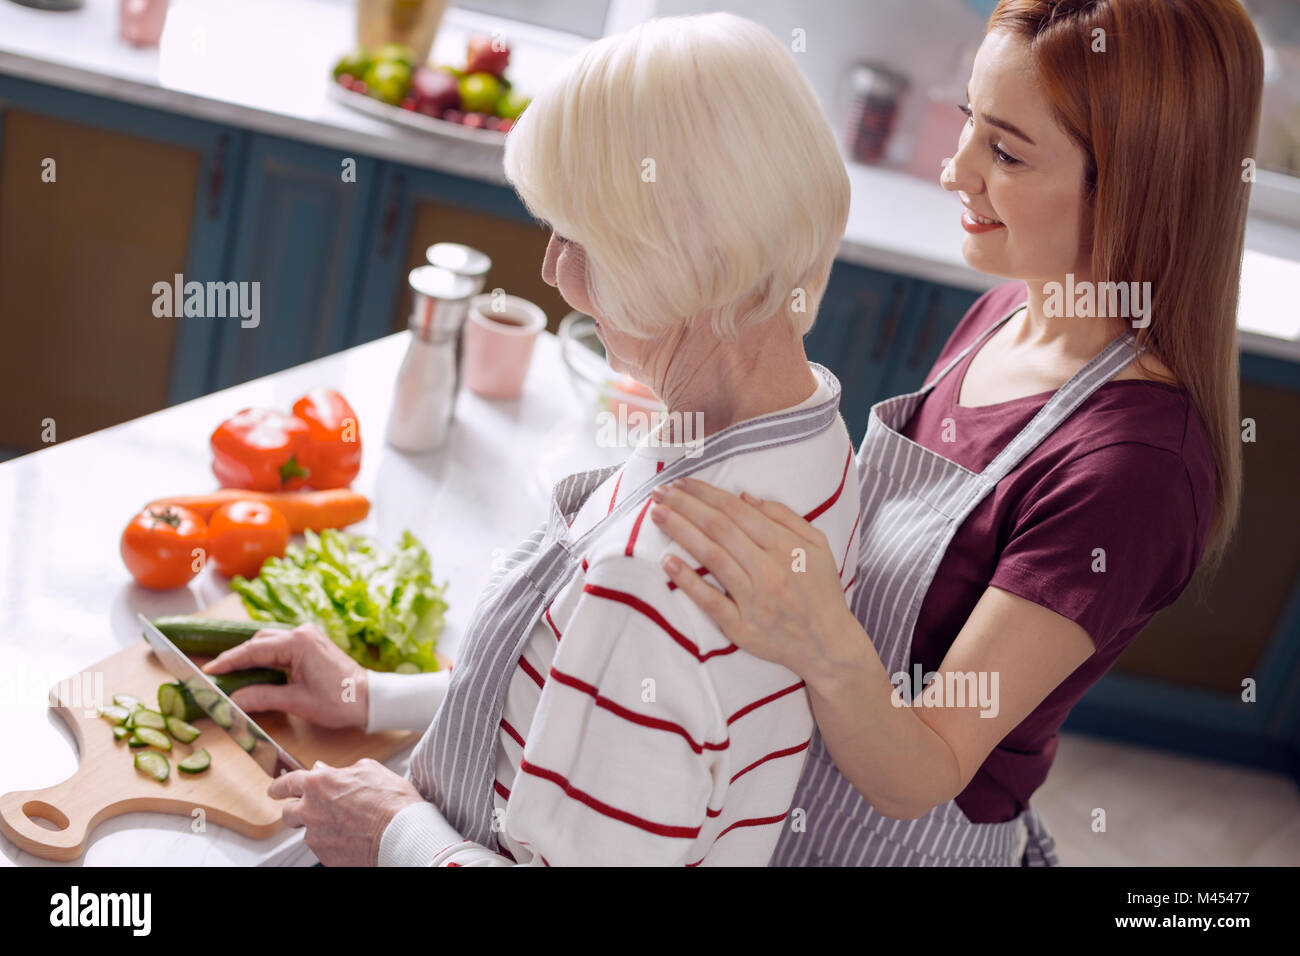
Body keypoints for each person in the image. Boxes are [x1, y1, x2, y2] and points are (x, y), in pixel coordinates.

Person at [206, 12, 861, 866]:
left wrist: (393, 833)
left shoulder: (653, 576)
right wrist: (377, 696)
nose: (552, 269)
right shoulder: (809, 437)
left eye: (578, 237)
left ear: (678, 256)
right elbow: (577, 714)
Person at [651, 0, 1261, 865]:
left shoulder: (1137, 470)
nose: (955, 169)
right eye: (971, 118)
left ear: (1138, 185)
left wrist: (817, 633)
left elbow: (922, 769)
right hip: (777, 801)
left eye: (1006, 152)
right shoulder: (1005, 310)